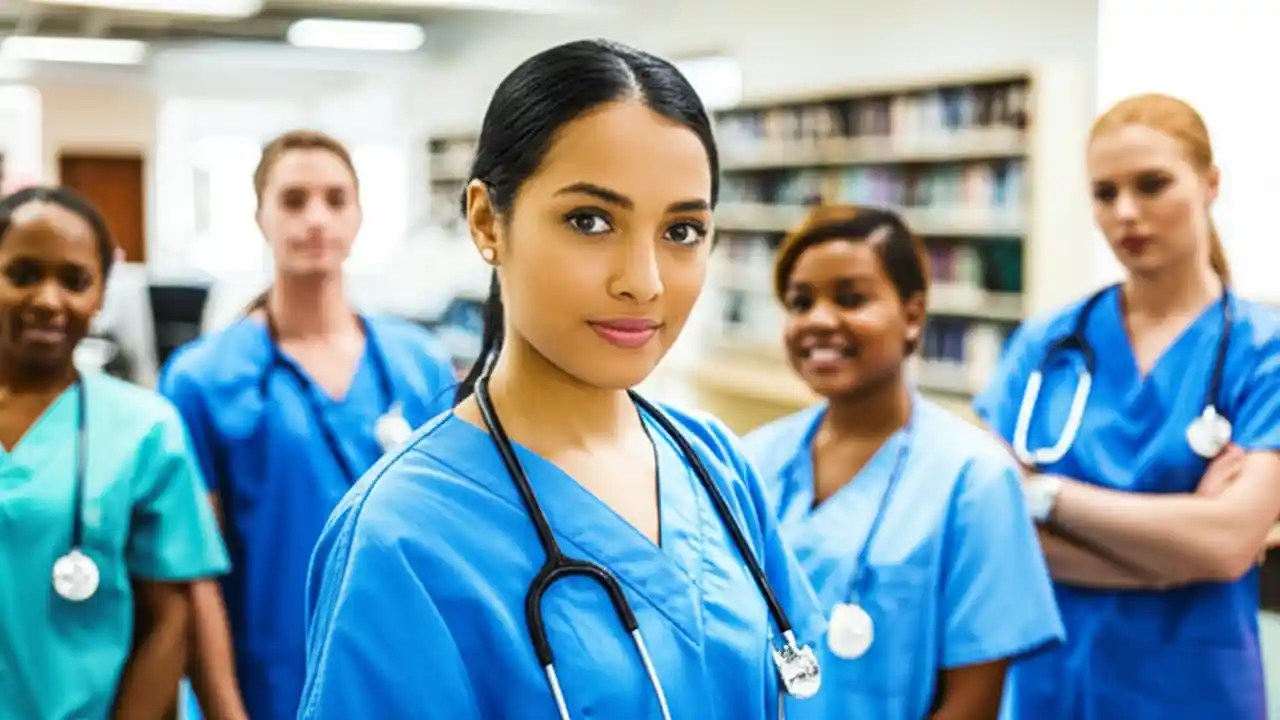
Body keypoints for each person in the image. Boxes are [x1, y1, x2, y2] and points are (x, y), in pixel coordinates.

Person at [297, 39, 827, 719]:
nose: (644, 281)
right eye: (590, 221)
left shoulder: (715, 467)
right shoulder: (401, 536)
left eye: (684, 230)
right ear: (488, 221)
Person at [974, 93, 1280, 719]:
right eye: (1105, 193)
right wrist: (1171, 557)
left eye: (1152, 184)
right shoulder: (1047, 343)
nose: (1127, 213)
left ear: (1210, 183)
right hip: (1051, 682)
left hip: (1193, 691)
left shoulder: (1262, 352)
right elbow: (989, 530)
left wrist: (1044, 497)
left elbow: (1226, 545)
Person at [158, 129, 459, 720]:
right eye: (293, 200)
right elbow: (194, 574)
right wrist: (224, 709)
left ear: (359, 216)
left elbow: (442, 536)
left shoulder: (417, 365)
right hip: (266, 679)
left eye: (335, 199)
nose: (315, 219)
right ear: (260, 216)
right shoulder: (202, 377)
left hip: (397, 671)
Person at [741, 204, 1063, 719]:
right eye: (801, 303)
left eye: (851, 298)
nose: (820, 320)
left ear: (913, 315)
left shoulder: (973, 478)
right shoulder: (751, 461)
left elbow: (973, 702)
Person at [0, 186, 229, 719]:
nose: (48, 300)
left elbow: (169, 623)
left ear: (102, 295)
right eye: (23, 274)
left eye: (75, 281)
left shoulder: (144, 429)